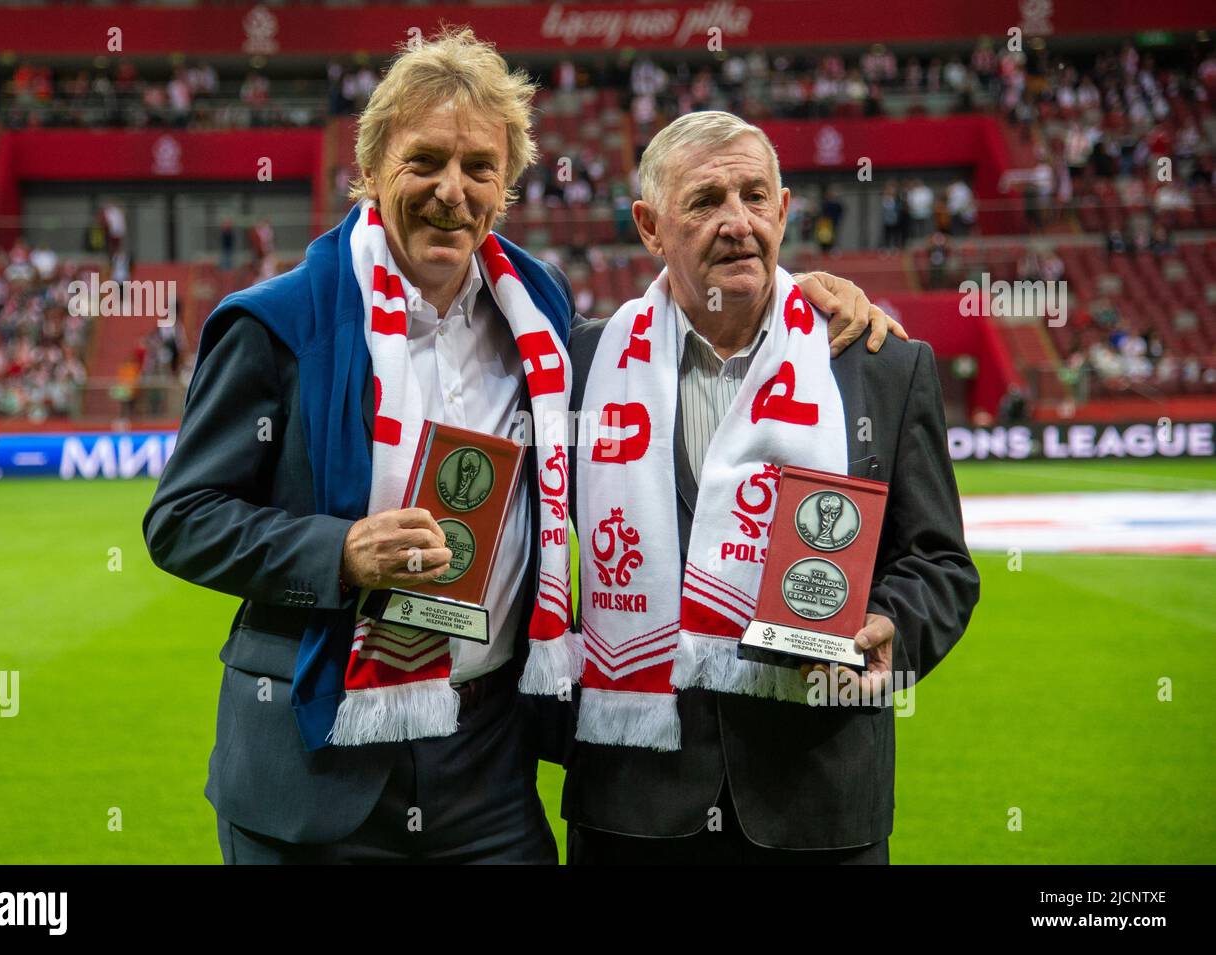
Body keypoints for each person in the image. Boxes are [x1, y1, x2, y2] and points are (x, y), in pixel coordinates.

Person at [144, 31, 899, 866]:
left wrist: (801, 297)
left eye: (478, 168)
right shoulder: (278, 324)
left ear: (505, 185)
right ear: (369, 170)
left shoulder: (539, 317)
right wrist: (342, 552)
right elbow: (181, 518)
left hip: (486, 772)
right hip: (316, 765)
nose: (450, 192)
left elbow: (688, 328)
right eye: (424, 161)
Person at [563, 111, 979, 864]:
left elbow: (941, 564)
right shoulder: (584, 365)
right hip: (632, 803)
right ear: (650, 227)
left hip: (818, 799)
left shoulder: (880, 366)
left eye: (756, 196)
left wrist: (892, 626)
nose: (737, 222)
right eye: (705, 200)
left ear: (785, 212)